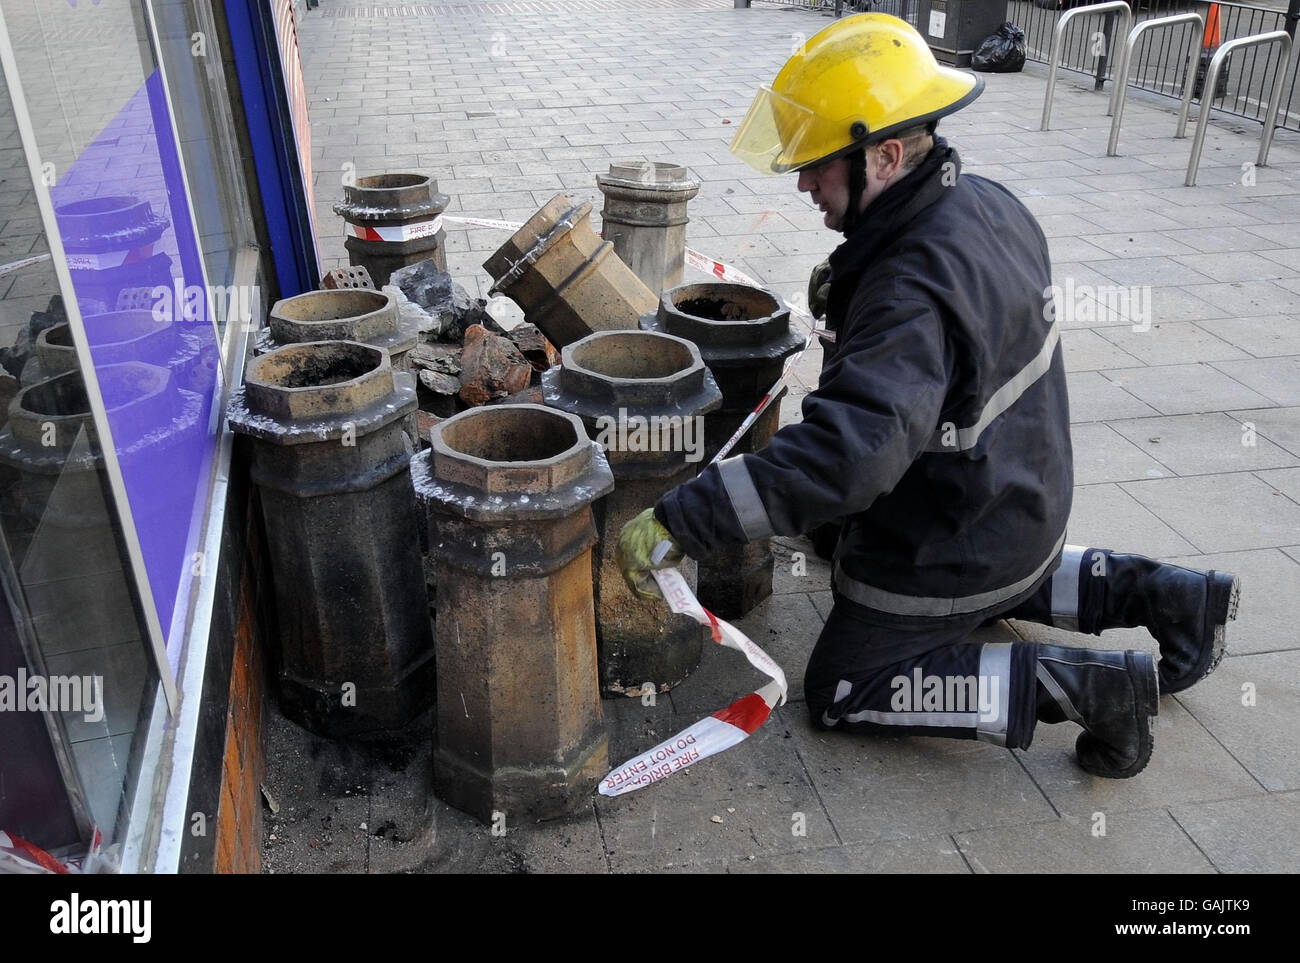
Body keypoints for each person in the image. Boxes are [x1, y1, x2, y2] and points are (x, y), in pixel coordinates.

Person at [616, 14, 1239, 778]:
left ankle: (1091, 687)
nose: (805, 181)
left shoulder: (907, 290)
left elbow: (849, 455)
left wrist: (687, 513)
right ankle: (1172, 596)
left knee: (844, 685)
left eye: (818, 165)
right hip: (1024, 492)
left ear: (883, 156)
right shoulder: (983, 201)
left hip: (963, 531)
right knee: (868, 545)